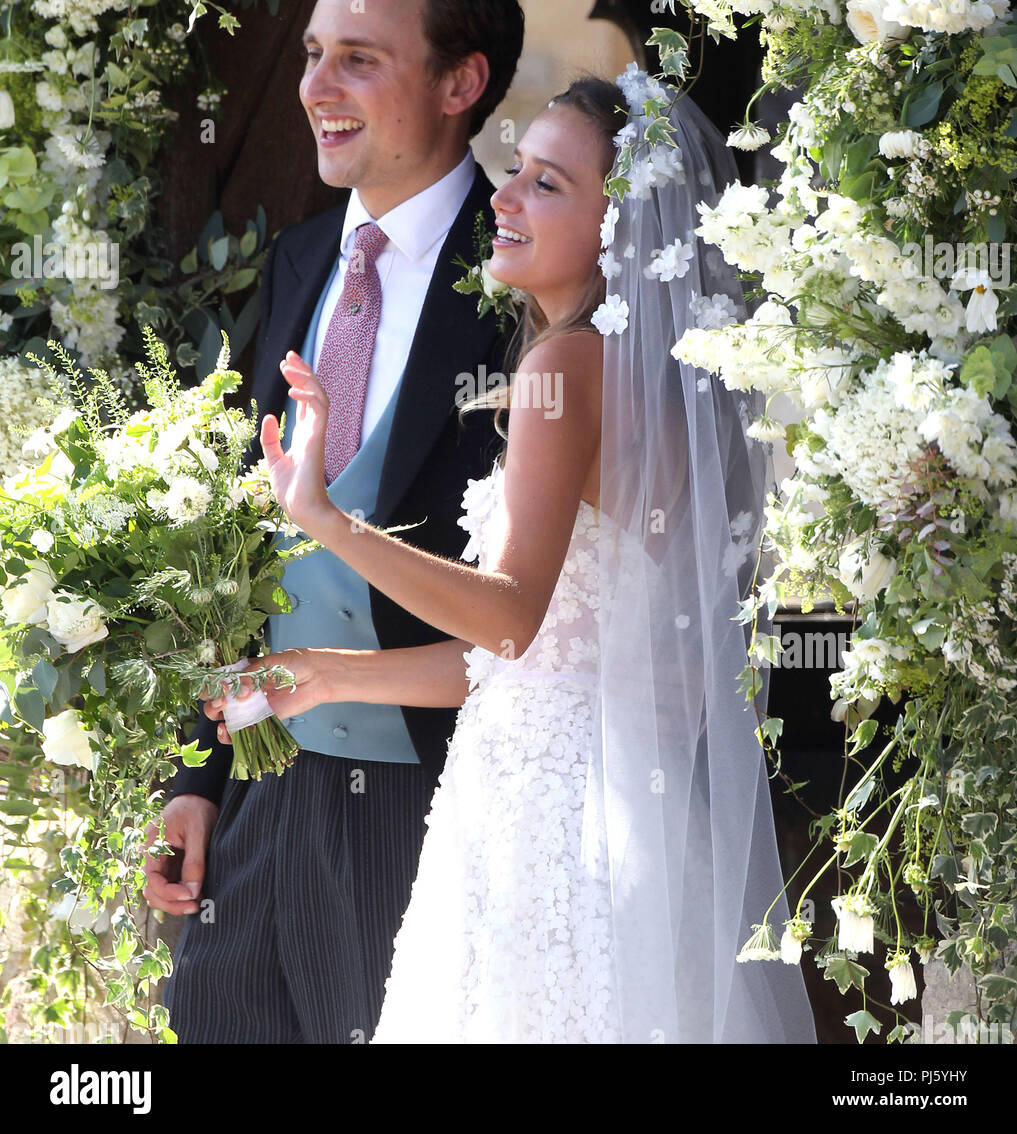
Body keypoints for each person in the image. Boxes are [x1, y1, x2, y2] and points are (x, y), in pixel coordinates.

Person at [208, 73, 818, 1043]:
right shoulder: (636, 381)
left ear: (620, 230)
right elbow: (528, 661)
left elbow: (511, 615)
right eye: (517, 171)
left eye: (547, 184)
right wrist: (324, 676)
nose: (503, 197)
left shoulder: (564, 370)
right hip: (612, 812)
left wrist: (324, 516)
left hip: (548, 829)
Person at [145, 0, 524, 1044]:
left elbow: (533, 608)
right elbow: (238, 541)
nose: (316, 87)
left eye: (359, 57)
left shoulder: (529, 287)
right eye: (311, 53)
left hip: (428, 801)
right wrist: (198, 774)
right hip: (263, 785)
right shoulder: (305, 258)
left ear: (462, 83)